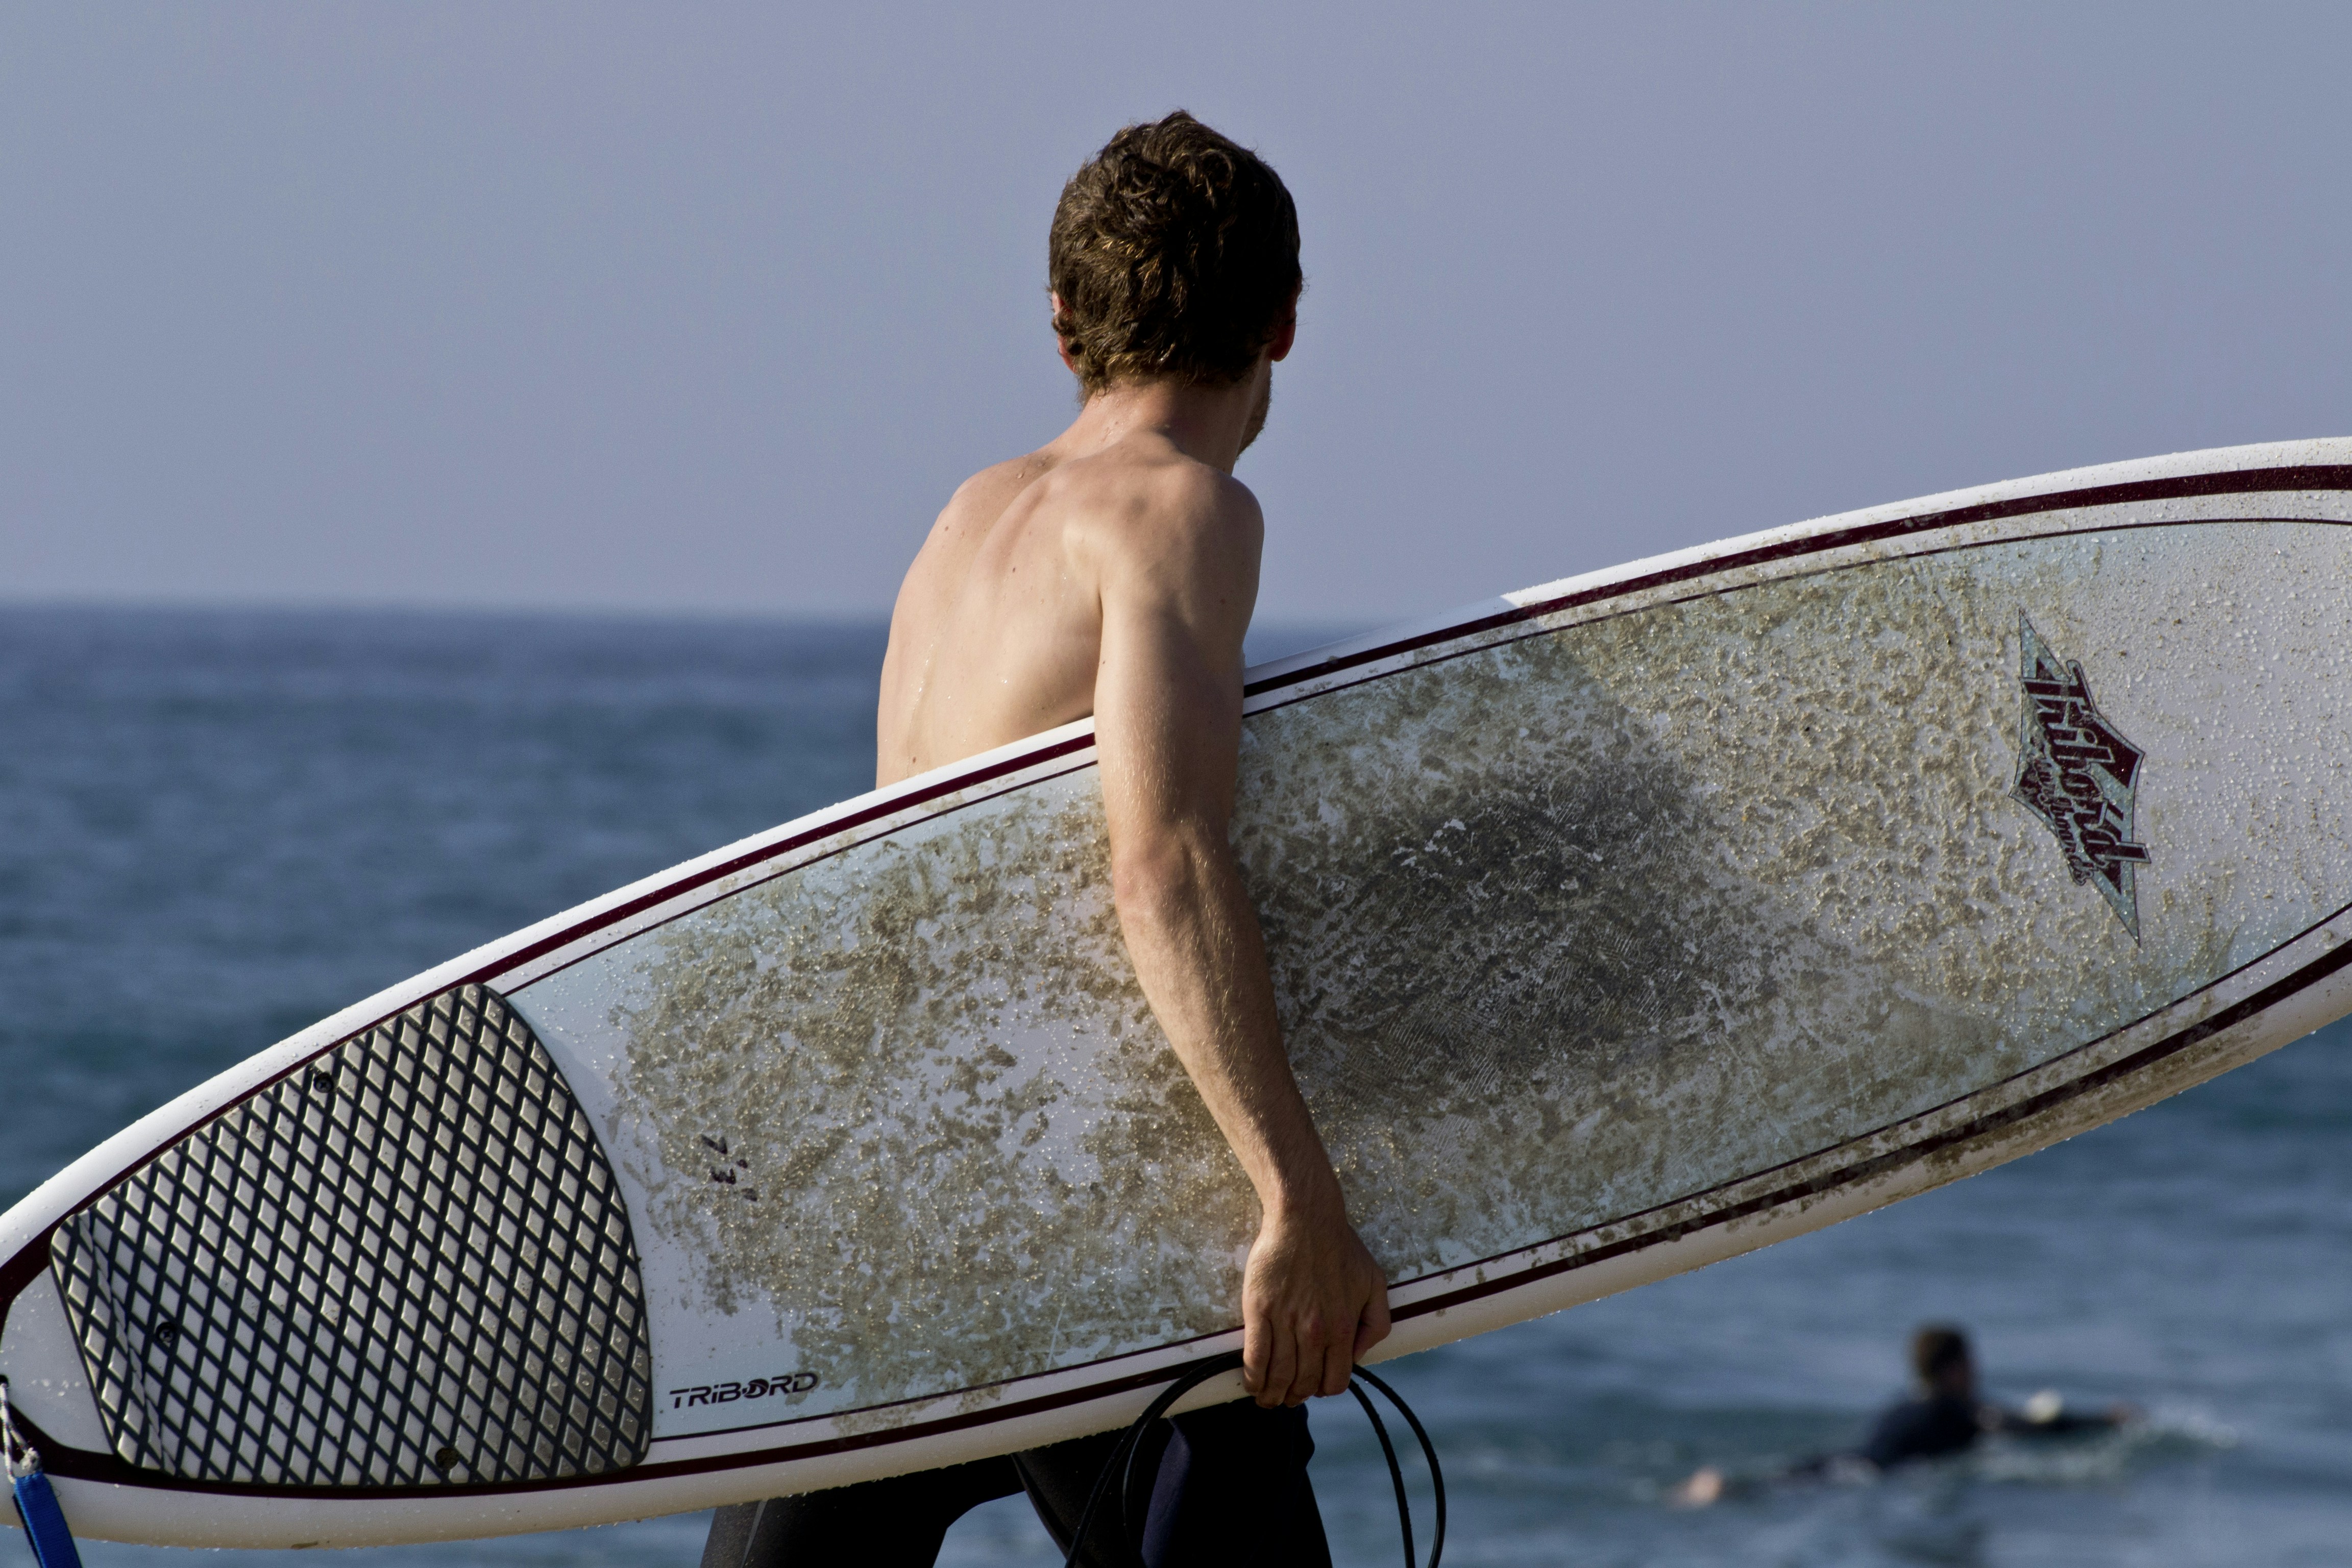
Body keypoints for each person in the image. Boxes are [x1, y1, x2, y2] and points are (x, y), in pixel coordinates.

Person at [702, 111, 1388, 1568]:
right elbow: (1162, 859)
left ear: (1065, 325)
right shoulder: (1178, 511)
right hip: (1076, 1223)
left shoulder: (967, 521)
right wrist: (1296, 1199)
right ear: (1283, 321)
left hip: (892, 1211)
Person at [1672, 1324, 2138, 1507]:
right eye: (1971, 1363)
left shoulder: (1904, 1403)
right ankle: (1723, 1489)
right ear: (1954, 1369)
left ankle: (1716, 1487)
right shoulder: (1963, 1409)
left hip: (1843, 1461)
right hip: (1870, 1476)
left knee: (1782, 1482)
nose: (1977, 1371)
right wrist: (2105, 1421)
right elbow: (2028, 1428)